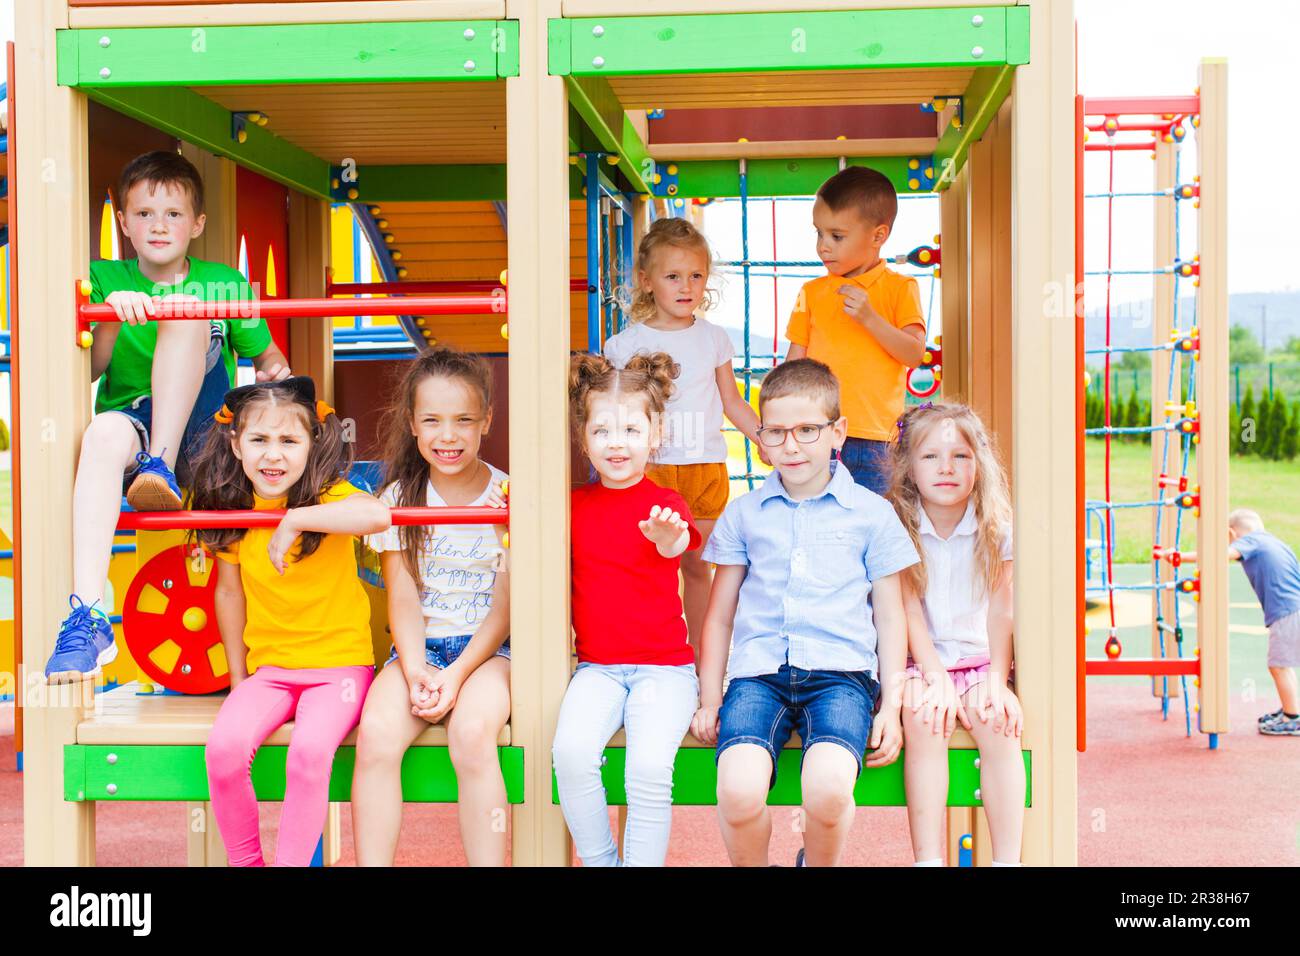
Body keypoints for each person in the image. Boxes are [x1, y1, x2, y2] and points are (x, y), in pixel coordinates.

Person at [44, 150, 290, 683]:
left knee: (185, 313)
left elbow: (267, 358)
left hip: (208, 436)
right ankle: (85, 617)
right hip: (134, 423)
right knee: (103, 431)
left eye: (173, 214)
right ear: (125, 225)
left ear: (196, 224)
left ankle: (163, 461)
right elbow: (87, 371)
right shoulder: (103, 278)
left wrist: (276, 374)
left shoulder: (222, 283)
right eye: (145, 214)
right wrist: (110, 316)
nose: (159, 225)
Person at [693, 358, 917, 866]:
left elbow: (890, 616)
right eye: (775, 432)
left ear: (838, 432)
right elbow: (719, 617)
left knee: (830, 791)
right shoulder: (745, 513)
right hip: (758, 677)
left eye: (807, 431)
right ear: (760, 436)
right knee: (738, 791)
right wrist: (710, 699)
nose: (790, 446)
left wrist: (891, 708)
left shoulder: (871, 514)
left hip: (842, 677)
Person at [195, 377, 390, 866]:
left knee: (308, 754)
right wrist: (239, 679)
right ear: (236, 444)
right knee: (222, 750)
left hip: (338, 670)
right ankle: (247, 863)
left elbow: (378, 515)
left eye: (289, 441)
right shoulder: (236, 512)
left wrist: (296, 519)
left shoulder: (329, 498)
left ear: (312, 444)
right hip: (272, 672)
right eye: (259, 440)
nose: (273, 455)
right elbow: (228, 592)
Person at [352, 348, 512, 866]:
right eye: (433, 421)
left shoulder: (505, 496)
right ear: (412, 425)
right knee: (374, 736)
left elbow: (505, 607)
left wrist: (457, 675)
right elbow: (402, 594)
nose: (449, 436)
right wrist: (418, 667)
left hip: (490, 655)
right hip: (418, 649)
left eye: (464, 420)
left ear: (487, 420)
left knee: (470, 734)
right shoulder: (400, 497)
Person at [553, 352, 701, 866]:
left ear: (655, 433)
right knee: (569, 755)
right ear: (583, 438)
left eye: (631, 430)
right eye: (602, 431)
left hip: (666, 670)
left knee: (648, 769)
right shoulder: (569, 506)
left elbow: (673, 545)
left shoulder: (667, 505)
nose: (617, 443)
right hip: (597, 669)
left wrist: (667, 537)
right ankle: (600, 861)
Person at [604, 218, 762, 650]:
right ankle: (649, 652)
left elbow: (732, 402)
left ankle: (702, 658)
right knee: (646, 568)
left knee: (697, 566)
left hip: (703, 470)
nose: (685, 286)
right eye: (673, 276)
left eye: (695, 275)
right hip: (647, 472)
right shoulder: (624, 344)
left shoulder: (713, 338)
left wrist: (761, 436)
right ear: (647, 280)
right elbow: (614, 413)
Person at [887, 402, 1024, 865]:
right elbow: (906, 608)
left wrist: (998, 679)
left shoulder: (997, 529)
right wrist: (933, 675)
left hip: (981, 661)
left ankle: (1007, 859)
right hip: (920, 662)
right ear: (909, 467)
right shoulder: (898, 529)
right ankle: (928, 860)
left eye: (960, 456)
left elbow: (1003, 607)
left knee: (999, 723)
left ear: (979, 465)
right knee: (925, 718)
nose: (946, 468)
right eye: (930, 457)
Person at [784, 165, 926, 495]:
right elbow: (793, 366)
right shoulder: (812, 292)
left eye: (836, 236)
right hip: (817, 434)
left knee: (873, 532)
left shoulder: (899, 287)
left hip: (877, 441)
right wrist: (781, 426)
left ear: (878, 236)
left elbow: (914, 354)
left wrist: (870, 318)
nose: (823, 246)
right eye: (818, 233)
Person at [1228, 508, 1300, 736]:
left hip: (1286, 610)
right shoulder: (1275, 542)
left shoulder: (1252, 541)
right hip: (1293, 607)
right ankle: (1291, 711)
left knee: (1278, 665)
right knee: (1283, 664)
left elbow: (1222, 555)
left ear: (1232, 534)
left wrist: (1179, 556)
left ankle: (1293, 718)